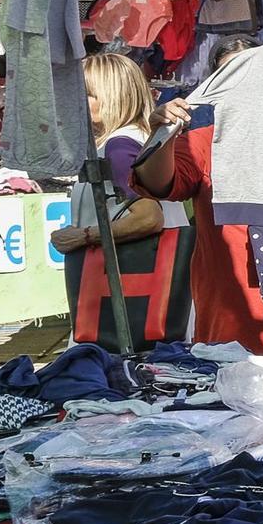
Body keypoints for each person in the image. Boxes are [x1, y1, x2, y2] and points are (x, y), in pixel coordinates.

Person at [132, 30, 263, 354]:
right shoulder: (203, 142)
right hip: (233, 326)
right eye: (229, 77)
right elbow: (157, 184)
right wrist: (161, 133)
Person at [51, 53, 182, 350]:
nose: (76, 101)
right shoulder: (140, 138)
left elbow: (149, 216)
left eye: (87, 94)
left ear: (111, 98)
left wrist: (83, 237)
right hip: (149, 293)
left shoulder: (119, 146)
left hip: (128, 295)